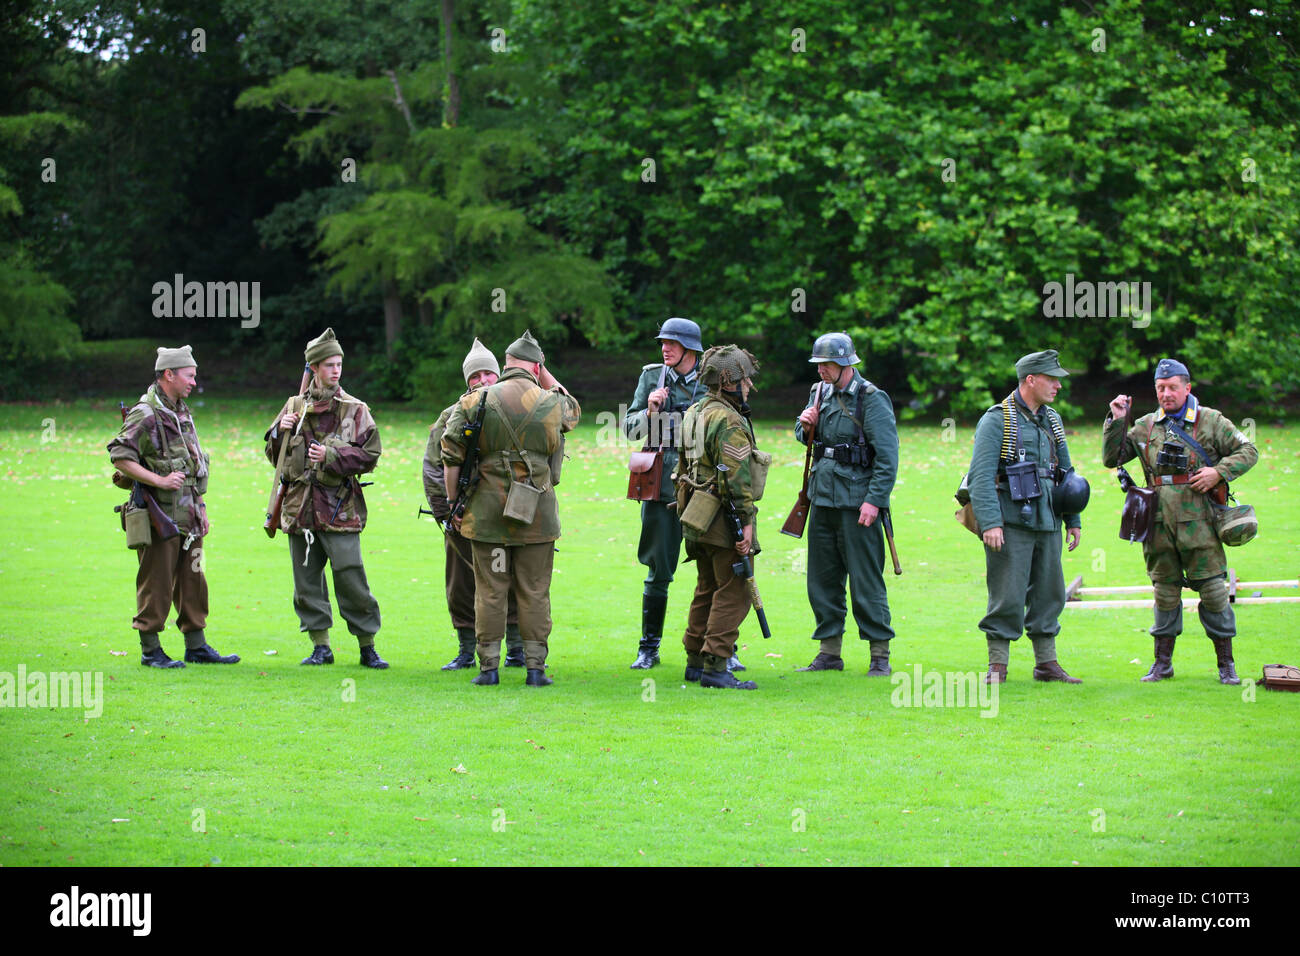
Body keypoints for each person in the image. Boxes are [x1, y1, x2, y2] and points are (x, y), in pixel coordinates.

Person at [1102, 358, 1258, 684]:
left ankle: (1226, 666)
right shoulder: (1145, 425)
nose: (1166, 393)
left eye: (1173, 387)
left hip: (1200, 521)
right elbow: (1111, 458)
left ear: (1187, 388)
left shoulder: (1211, 421)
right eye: (1161, 388)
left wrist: (1218, 472)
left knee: (1215, 592)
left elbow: (1248, 451)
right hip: (1157, 523)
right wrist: (1116, 420)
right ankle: (1162, 664)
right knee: (1165, 593)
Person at [441, 330, 580, 687]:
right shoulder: (550, 401)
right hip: (536, 512)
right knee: (534, 590)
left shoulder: (474, 401)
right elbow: (574, 413)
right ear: (535, 365)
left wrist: (455, 504)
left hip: (487, 513)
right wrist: (545, 373)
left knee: (489, 590)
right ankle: (535, 670)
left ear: (504, 366)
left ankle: (488, 669)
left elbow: (451, 457)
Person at [623, 318, 745, 671]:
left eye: (673, 344)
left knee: (717, 570)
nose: (665, 349)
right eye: (663, 342)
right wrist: (650, 410)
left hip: (705, 490)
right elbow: (629, 428)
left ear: (691, 349)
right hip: (662, 490)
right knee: (659, 570)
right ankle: (649, 647)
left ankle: (720, 649)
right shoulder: (651, 378)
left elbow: (729, 425)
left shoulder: (714, 379)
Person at [108, 345, 238, 668]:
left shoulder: (180, 409)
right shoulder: (146, 412)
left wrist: (202, 506)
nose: (194, 382)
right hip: (159, 514)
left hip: (189, 513)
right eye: (190, 376)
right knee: (157, 581)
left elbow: (192, 464)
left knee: (194, 579)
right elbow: (120, 456)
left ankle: (196, 645)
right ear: (169, 375)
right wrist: (158, 480)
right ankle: (151, 649)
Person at [265, 328, 387, 668]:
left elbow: (371, 455)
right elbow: (274, 458)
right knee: (306, 582)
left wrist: (332, 457)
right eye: (328, 365)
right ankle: (320, 646)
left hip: (339, 508)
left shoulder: (355, 410)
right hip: (300, 509)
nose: (336, 371)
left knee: (351, 576)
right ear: (314, 369)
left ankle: (367, 645)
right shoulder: (293, 406)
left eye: (338, 365)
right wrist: (281, 431)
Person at [967, 349, 1083, 684]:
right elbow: (981, 477)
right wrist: (990, 522)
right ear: (1030, 380)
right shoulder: (996, 419)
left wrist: (1073, 520)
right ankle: (997, 665)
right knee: (1007, 593)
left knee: (1050, 592)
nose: (1057, 386)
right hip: (1010, 521)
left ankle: (1046, 663)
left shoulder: (1053, 420)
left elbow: (1066, 475)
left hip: (1048, 519)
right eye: (1051, 379)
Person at [793, 332, 899, 675]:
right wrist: (803, 425)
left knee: (866, 581)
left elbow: (887, 458)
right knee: (822, 580)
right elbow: (805, 435)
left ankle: (879, 656)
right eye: (819, 364)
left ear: (845, 364)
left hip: (858, 505)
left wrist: (874, 501)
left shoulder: (871, 398)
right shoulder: (818, 392)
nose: (822, 370)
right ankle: (829, 653)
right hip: (821, 498)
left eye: (828, 365)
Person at [422, 339, 524, 670]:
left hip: (506, 513)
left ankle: (517, 649)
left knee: (512, 579)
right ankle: (467, 649)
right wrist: (446, 511)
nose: (482, 381)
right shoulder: (450, 416)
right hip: (462, 513)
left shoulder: (517, 413)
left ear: (499, 376)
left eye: (488, 374)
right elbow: (434, 466)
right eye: (475, 376)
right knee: (462, 584)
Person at [676, 345, 768, 690]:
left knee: (707, 586)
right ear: (730, 383)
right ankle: (716, 664)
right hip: (721, 515)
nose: (749, 386)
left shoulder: (695, 411)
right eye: (745, 380)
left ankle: (695, 658)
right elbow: (736, 476)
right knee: (734, 589)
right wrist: (745, 523)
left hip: (695, 513)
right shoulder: (728, 420)